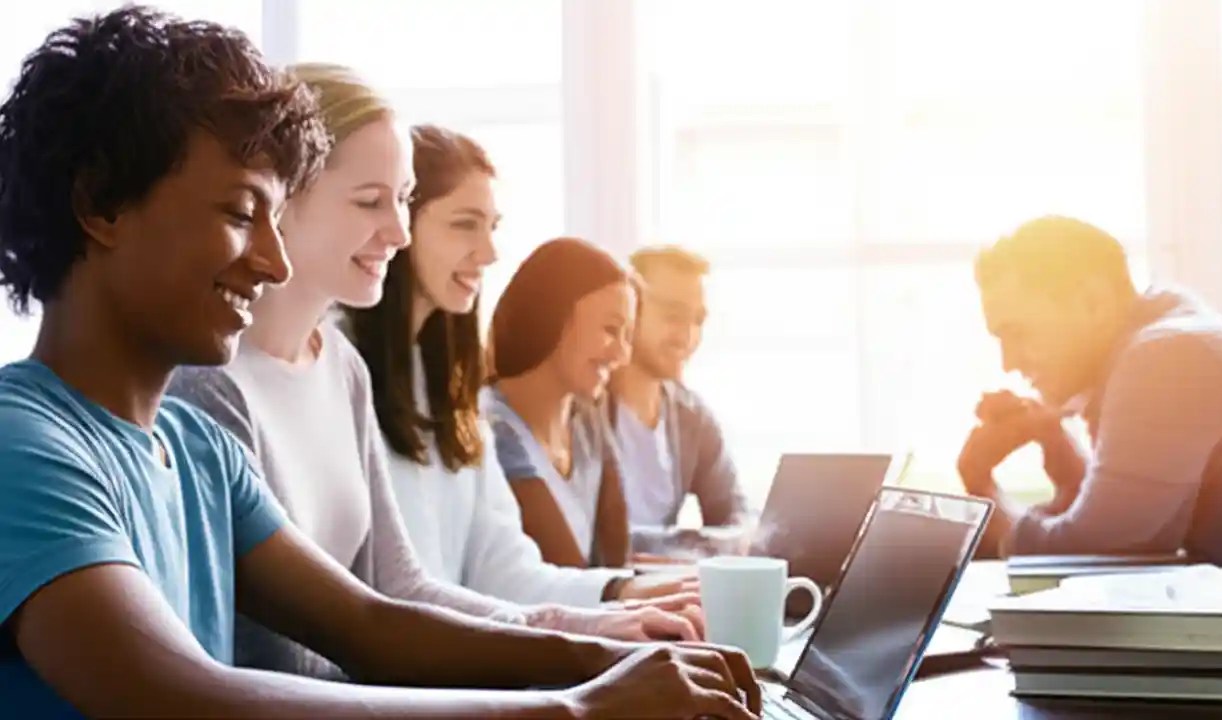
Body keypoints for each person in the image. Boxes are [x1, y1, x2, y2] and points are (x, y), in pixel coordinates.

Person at [0, 9, 759, 718]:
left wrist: (605, 658)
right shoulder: (21, 446)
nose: (271, 261)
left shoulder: (198, 452)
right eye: (240, 214)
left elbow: (371, 621)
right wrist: (579, 707)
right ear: (101, 204)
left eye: (274, 216)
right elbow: (181, 696)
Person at [169, 66, 706, 680]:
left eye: (402, 199)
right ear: (280, 198)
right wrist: (573, 663)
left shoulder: (340, 368)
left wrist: (592, 628)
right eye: (372, 201)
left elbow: (404, 586)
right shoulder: (211, 383)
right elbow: (288, 656)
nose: (398, 231)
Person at [347, 125, 696, 607]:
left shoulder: (451, 394)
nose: (489, 252)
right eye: (464, 224)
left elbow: (508, 573)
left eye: (492, 227)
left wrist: (631, 592)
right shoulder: (342, 372)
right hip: (409, 674)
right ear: (401, 224)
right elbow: (406, 601)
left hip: (455, 665)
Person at [957, 215, 1222, 578]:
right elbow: (1131, 528)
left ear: (1094, 302)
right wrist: (1058, 448)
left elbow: (1099, 550)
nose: (1008, 362)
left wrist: (984, 494)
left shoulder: (1166, 357)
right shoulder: (1159, 337)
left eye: (1019, 334)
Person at [486, 238, 636, 569]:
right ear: (552, 318)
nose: (623, 355)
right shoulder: (493, 429)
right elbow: (567, 569)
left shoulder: (587, 421)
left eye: (629, 336)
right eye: (611, 330)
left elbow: (614, 563)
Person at [606, 245, 750, 535]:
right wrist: (685, 543)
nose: (687, 337)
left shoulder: (692, 417)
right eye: (673, 316)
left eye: (697, 320)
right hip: (602, 579)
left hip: (666, 576)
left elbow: (736, 514)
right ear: (630, 307)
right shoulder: (581, 409)